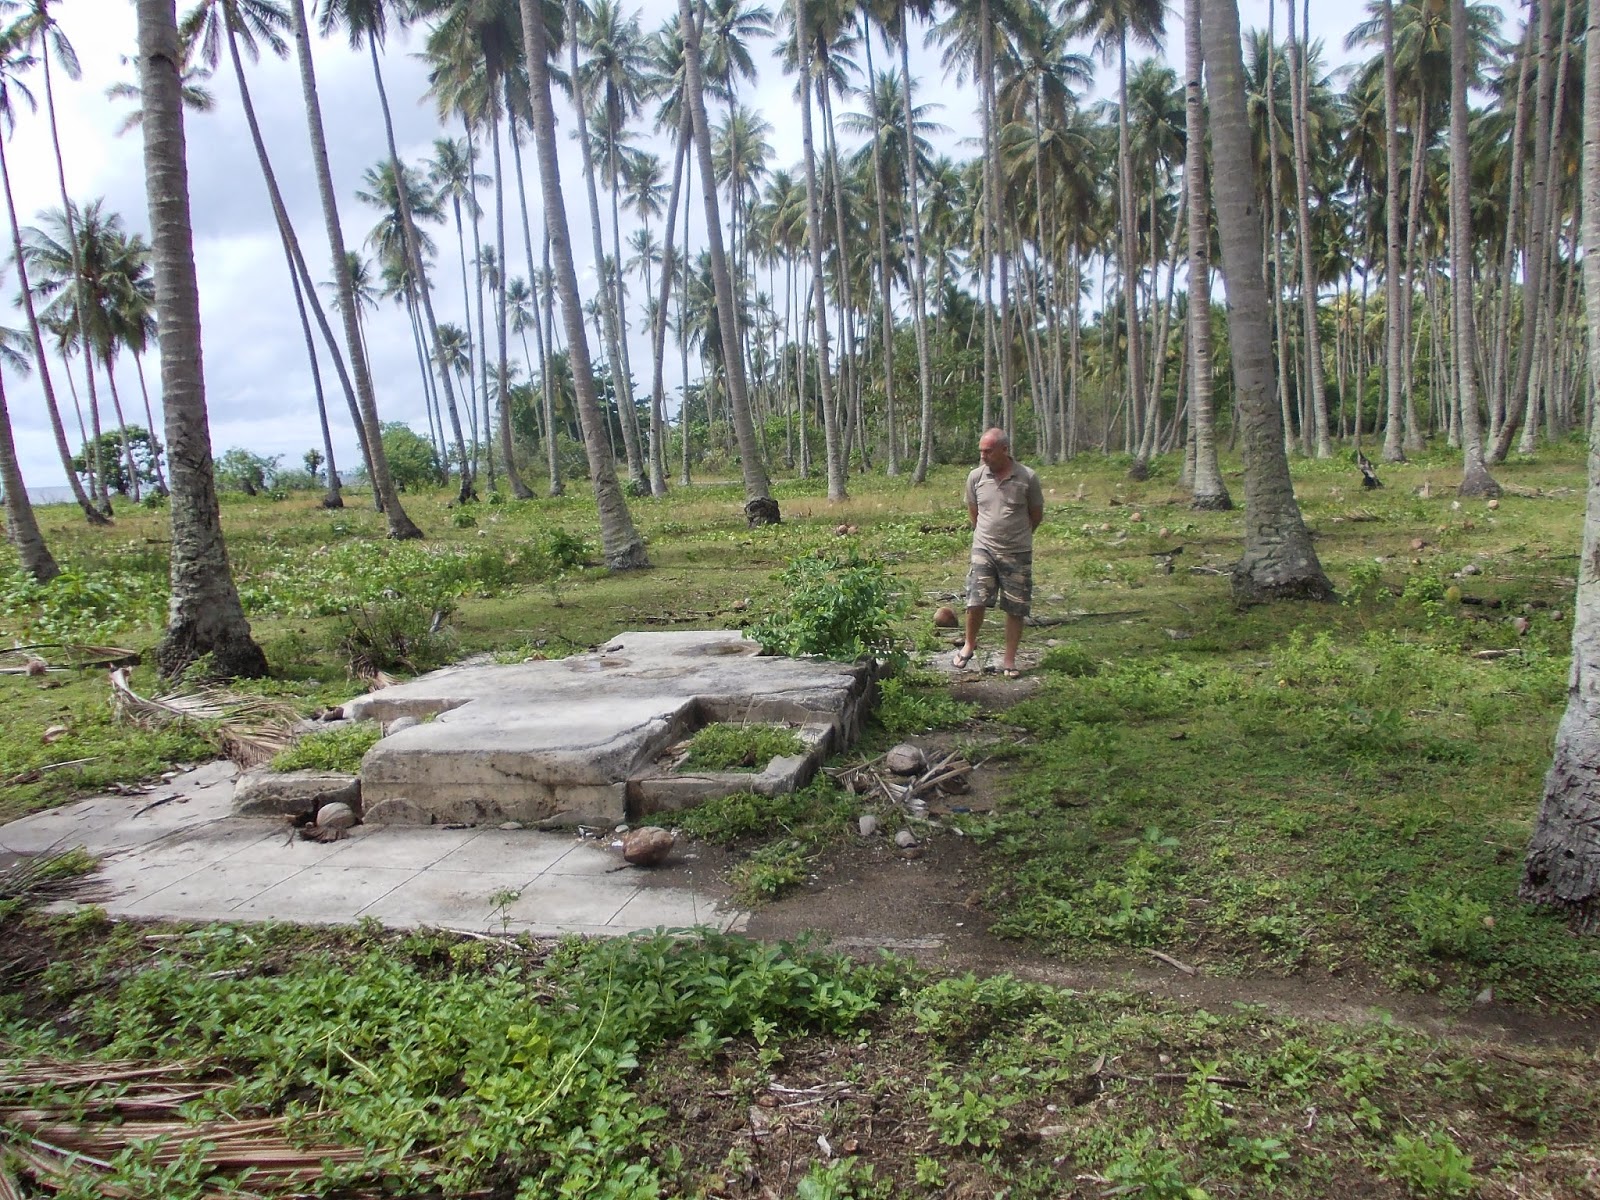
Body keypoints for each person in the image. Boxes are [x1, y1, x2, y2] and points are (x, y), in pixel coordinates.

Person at [952, 427, 1044, 678]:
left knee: (1016, 607)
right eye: (981, 451)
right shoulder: (975, 477)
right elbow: (974, 512)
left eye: (988, 451)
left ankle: (1009, 660)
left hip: (1017, 551)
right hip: (984, 548)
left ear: (1004, 450)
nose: (983, 456)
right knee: (976, 598)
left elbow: (1036, 515)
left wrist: (1018, 536)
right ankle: (969, 645)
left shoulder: (1027, 478)